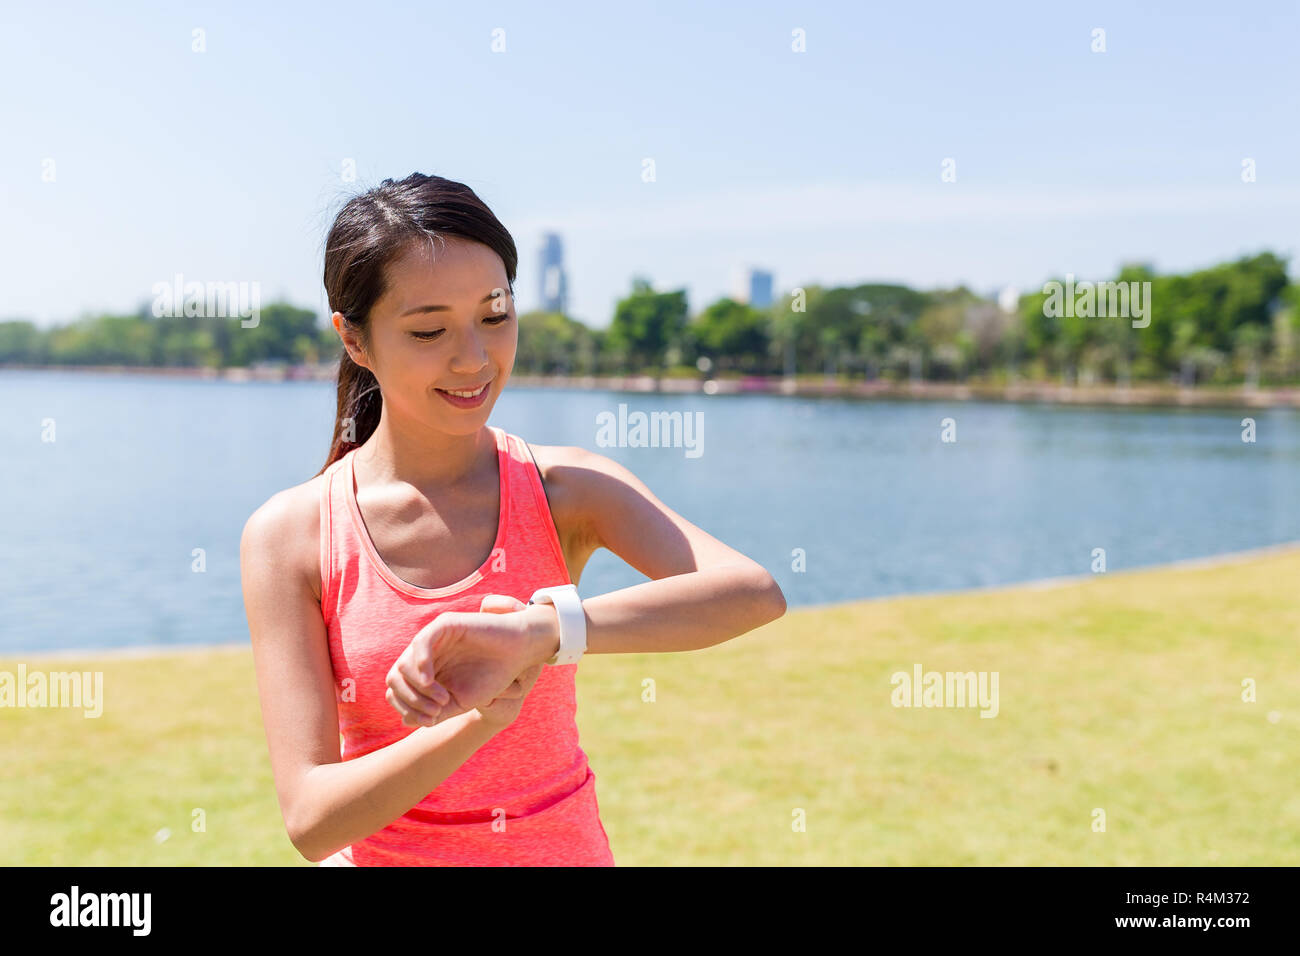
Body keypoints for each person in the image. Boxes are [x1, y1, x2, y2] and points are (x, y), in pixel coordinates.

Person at [239, 172, 787, 866]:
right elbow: (312, 820)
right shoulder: (292, 537)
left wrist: (540, 633)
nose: (474, 358)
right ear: (354, 341)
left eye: (495, 315)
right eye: (429, 329)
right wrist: (474, 720)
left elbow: (751, 594)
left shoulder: (565, 488)